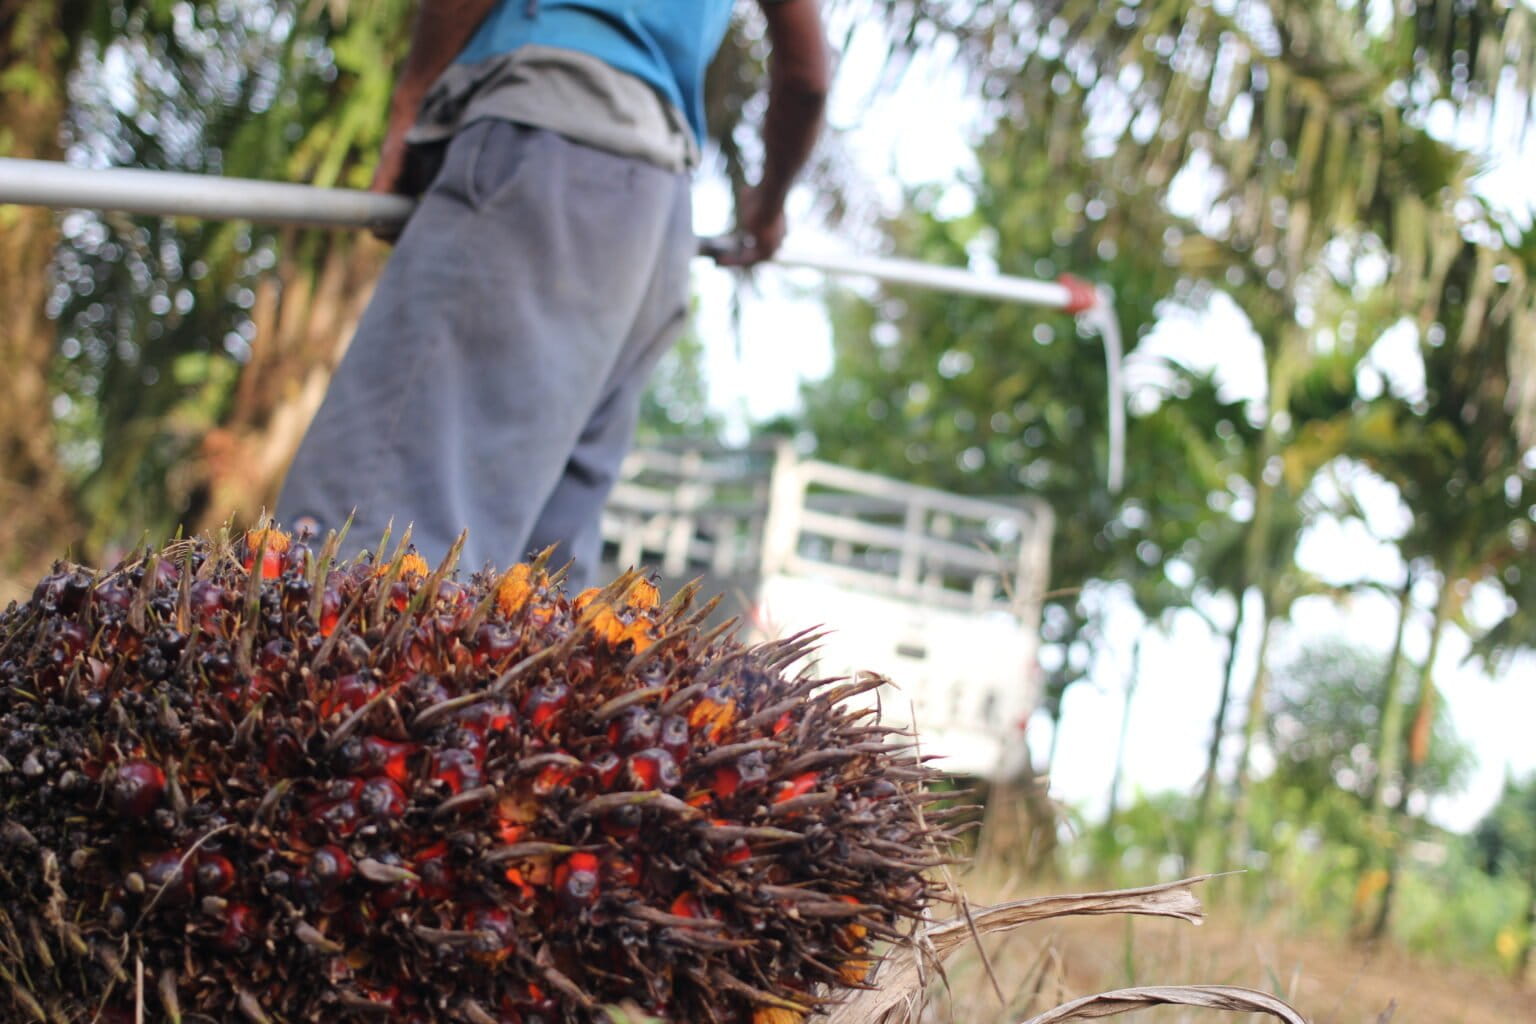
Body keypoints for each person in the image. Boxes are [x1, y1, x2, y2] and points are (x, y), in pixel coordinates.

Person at [275, 0, 829, 587]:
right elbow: (807, 78)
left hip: (543, 148)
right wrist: (766, 210)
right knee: (533, 602)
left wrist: (412, 100)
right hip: (656, 219)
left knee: (366, 558)